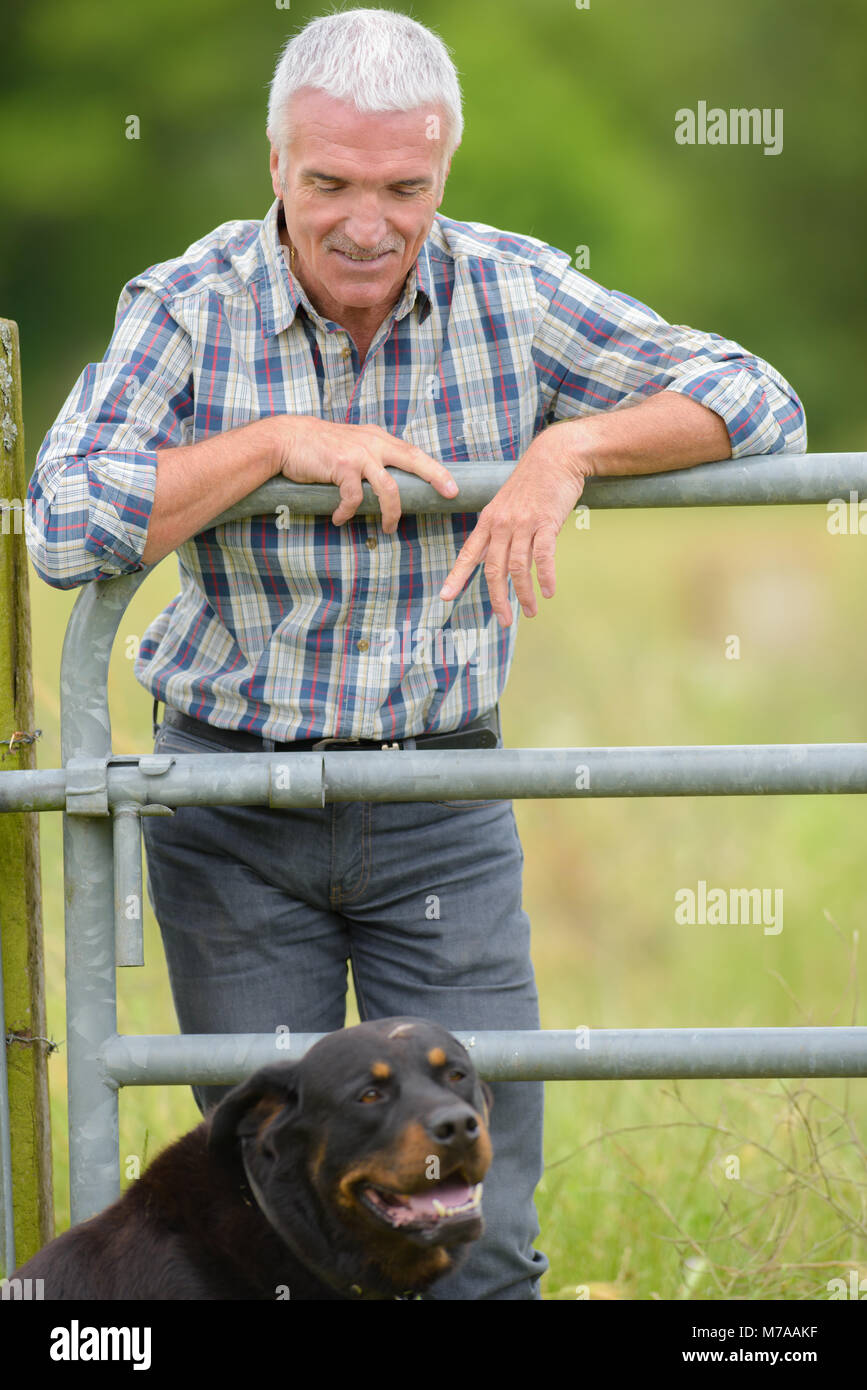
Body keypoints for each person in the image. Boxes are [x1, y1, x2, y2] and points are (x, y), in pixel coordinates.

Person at [25, 9, 806, 1300]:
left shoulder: (515, 289)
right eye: (329, 182)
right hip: (229, 809)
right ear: (276, 165)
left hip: (435, 804)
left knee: (475, 1219)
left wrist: (571, 448)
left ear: (444, 168)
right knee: (266, 1211)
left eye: (404, 185)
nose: (367, 221)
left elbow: (758, 394)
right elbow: (60, 517)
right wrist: (275, 442)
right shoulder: (187, 304)